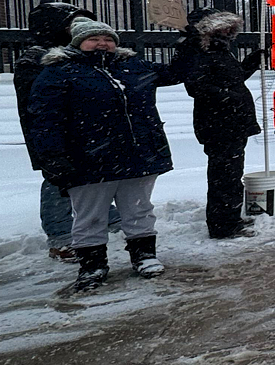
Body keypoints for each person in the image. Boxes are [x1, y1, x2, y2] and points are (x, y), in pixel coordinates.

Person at [26, 19, 190, 290]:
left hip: (138, 156)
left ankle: (144, 256)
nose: (103, 43)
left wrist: (189, 41)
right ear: (78, 42)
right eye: (94, 38)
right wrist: (52, 156)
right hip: (88, 159)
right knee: (90, 216)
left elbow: (177, 72)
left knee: (139, 210)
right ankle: (92, 266)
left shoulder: (133, 67)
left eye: (109, 38)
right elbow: (45, 119)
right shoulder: (59, 72)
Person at [14, 1, 119, 262]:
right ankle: (60, 237)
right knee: (58, 183)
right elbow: (37, 107)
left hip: (86, 129)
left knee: (95, 175)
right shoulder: (37, 59)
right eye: (74, 24)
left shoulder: (77, 53)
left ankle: (108, 215)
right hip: (56, 134)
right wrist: (50, 142)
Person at [183, 8, 264, 239]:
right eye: (224, 27)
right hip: (219, 124)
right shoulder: (198, 50)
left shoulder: (220, 50)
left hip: (232, 122)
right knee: (224, 175)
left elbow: (234, 78)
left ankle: (229, 217)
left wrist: (250, 63)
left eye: (231, 28)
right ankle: (222, 225)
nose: (229, 32)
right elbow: (197, 86)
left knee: (231, 172)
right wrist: (227, 96)